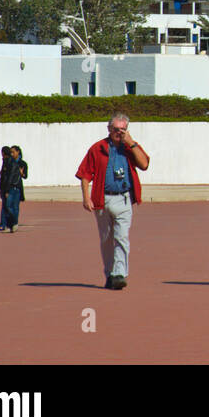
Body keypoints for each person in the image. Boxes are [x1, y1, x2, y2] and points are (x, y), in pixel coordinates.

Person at [75, 113, 150, 289]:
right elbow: (85, 174)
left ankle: (119, 274)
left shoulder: (130, 147)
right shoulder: (98, 148)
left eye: (123, 130)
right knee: (107, 239)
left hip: (124, 198)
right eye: (116, 130)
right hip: (103, 199)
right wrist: (86, 197)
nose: (119, 133)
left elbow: (144, 164)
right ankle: (109, 273)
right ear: (109, 129)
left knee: (122, 237)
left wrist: (130, 142)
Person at [0, 146, 28, 233]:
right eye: (11, 152)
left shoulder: (21, 163)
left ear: (18, 152)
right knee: (6, 207)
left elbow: (24, 176)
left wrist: (21, 174)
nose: (12, 153)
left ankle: (13, 223)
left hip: (16, 187)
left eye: (13, 152)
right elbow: (4, 176)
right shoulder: (7, 162)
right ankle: (6, 225)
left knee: (13, 207)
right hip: (8, 187)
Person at [0, 146, 11, 230]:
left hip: (5, 187)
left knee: (6, 207)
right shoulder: (6, 161)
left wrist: (6, 190)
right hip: (4, 187)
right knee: (5, 207)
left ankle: (5, 224)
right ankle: (4, 224)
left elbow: (6, 177)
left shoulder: (8, 162)